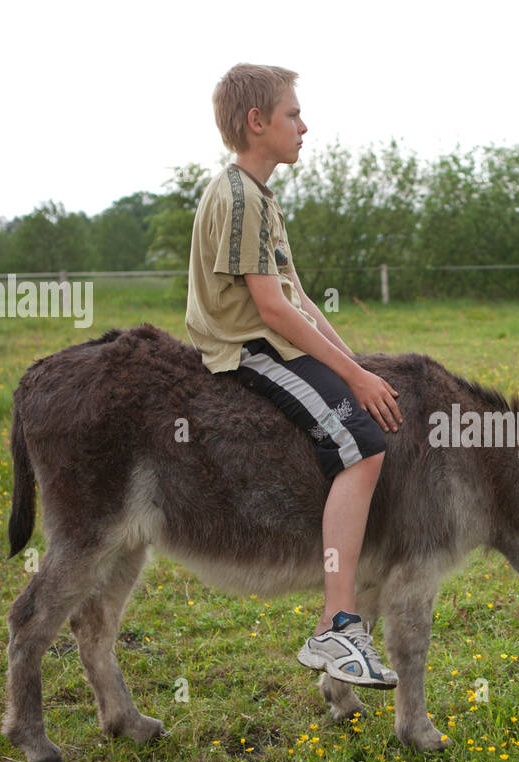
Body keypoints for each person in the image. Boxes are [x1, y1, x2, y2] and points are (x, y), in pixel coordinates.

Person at [185, 63, 402, 689]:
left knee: (360, 411)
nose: (304, 126)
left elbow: (300, 298)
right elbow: (274, 309)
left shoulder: (260, 196)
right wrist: (354, 381)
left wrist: (356, 367)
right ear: (258, 124)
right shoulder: (239, 197)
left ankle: (338, 623)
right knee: (361, 448)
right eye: (292, 115)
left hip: (272, 336)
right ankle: (337, 624)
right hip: (247, 349)